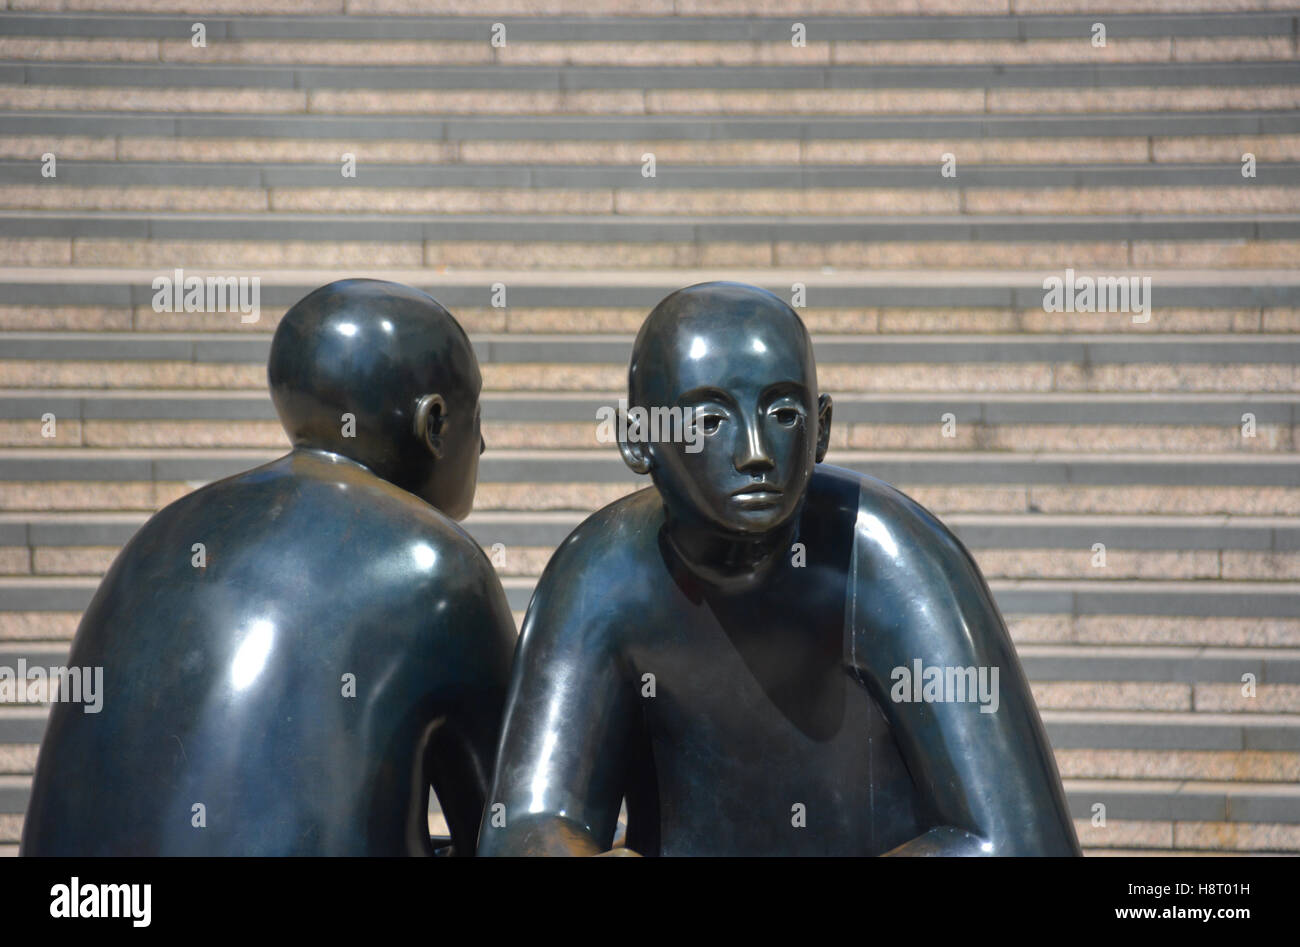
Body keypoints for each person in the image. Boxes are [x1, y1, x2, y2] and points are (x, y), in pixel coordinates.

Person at [478, 281, 1079, 857]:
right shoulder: (598, 575)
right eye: (709, 421)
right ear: (638, 440)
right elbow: (528, 826)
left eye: (783, 414)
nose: (756, 452)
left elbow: (1021, 841)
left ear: (823, 428)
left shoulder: (895, 563)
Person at [22, 279, 514, 856]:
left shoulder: (161, 536)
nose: (483, 445)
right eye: (476, 416)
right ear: (433, 425)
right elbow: (506, 828)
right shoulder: (439, 567)